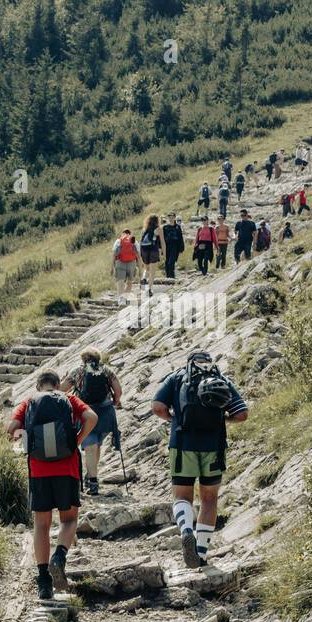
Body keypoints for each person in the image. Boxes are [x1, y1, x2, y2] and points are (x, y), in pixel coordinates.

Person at [152, 351, 248, 569]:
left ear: (189, 363)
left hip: (182, 443)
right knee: (209, 499)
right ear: (209, 363)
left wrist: (174, 418)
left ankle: (186, 530)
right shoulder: (222, 379)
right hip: (214, 446)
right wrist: (223, 419)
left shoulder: (177, 377)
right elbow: (242, 414)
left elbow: (157, 406)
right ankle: (202, 553)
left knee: (182, 497)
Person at [7, 374, 97, 598]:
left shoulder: (29, 401)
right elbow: (91, 417)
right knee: (69, 520)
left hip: (39, 470)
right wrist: (76, 439)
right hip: (66, 469)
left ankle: (44, 582)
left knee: (41, 524)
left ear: (38, 386)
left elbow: (12, 430)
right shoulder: (68, 399)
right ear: (58, 385)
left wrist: (27, 440)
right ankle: (59, 557)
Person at [63, 349, 123, 495]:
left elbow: (61, 389)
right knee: (96, 446)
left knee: (90, 446)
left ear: (83, 359)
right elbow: (118, 390)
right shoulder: (106, 370)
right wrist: (115, 401)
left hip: (86, 413)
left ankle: (93, 482)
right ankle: (91, 475)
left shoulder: (78, 371)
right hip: (106, 413)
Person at [112, 229, 139, 306]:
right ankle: (125, 298)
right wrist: (139, 267)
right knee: (129, 282)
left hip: (120, 263)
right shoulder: (134, 241)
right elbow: (138, 255)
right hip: (132, 263)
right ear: (130, 234)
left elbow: (114, 254)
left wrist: (112, 266)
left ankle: (121, 299)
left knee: (120, 282)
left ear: (122, 234)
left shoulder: (118, 241)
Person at [139, 214, 164, 296]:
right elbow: (162, 242)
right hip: (153, 249)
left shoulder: (144, 230)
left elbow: (140, 242)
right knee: (152, 271)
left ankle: (144, 278)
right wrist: (164, 253)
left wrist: (140, 255)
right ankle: (150, 289)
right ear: (157, 221)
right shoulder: (159, 229)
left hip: (144, 250)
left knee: (147, 268)